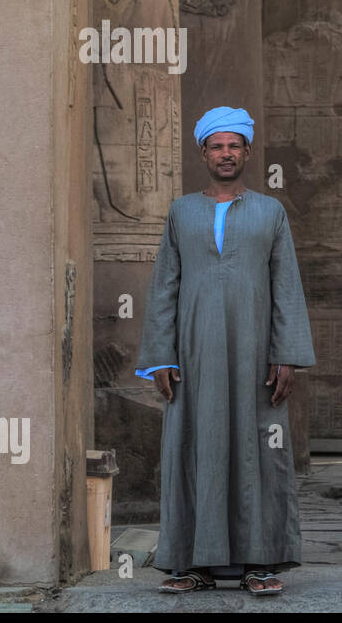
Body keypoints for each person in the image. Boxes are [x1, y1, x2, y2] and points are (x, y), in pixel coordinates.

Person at [135, 106, 315, 595]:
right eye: (217, 146)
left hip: (257, 357)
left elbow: (287, 288)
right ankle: (191, 565)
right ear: (203, 153)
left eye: (235, 145)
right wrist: (161, 357)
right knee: (194, 450)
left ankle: (262, 562)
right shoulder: (181, 212)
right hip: (193, 359)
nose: (226, 153)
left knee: (261, 451)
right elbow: (164, 288)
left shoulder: (269, 212)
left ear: (248, 152)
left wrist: (287, 355)